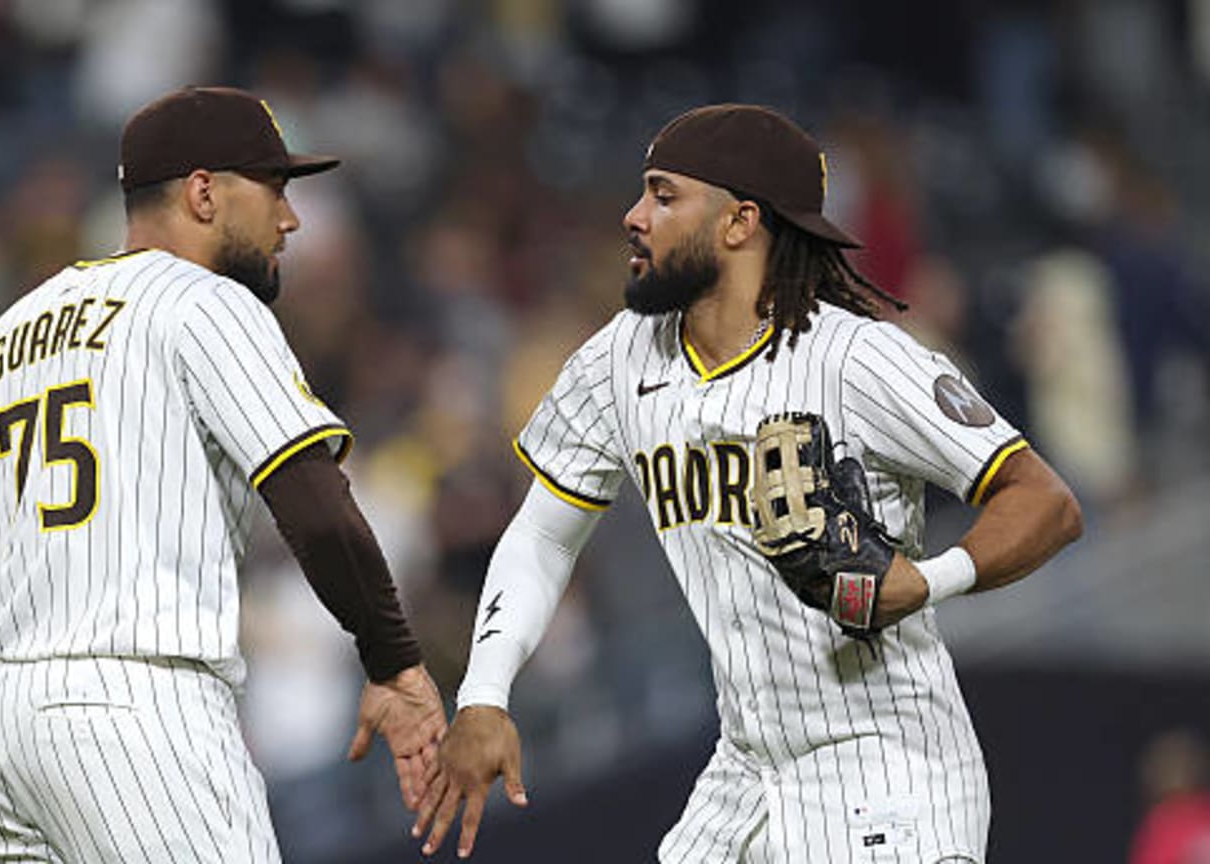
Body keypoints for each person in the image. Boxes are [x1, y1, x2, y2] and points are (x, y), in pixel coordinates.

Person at [412, 104, 1083, 862]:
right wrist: (484, 692)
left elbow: (1045, 501)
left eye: (664, 196)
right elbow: (540, 534)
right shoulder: (620, 360)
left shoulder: (855, 360)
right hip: (747, 769)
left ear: (739, 222)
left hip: (887, 765)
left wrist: (924, 583)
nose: (634, 217)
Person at [0, 86, 445, 862]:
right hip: (138, 704)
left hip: (7, 726)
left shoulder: (5, 338)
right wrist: (394, 662)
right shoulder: (205, 302)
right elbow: (319, 509)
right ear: (204, 193)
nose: (289, 218)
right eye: (272, 189)